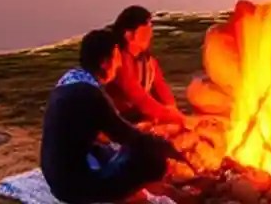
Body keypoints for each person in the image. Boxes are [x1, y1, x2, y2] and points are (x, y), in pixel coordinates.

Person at [40, 28, 181, 204]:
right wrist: (166, 147)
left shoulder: (69, 81)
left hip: (56, 177)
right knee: (152, 159)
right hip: (73, 188)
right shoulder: (91, 96)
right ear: (105, 63)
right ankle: (135, 196)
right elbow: (127, 136)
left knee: (112, 150)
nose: (119, 64)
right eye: (116, 58)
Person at [105, 5, 185, 125]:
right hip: (118, 119)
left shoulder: (147, 59)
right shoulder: (118, 60)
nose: (150, 34)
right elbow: (137, 96)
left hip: (139, 115)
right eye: (145, 29)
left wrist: (172, 108)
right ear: (129, 34)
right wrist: (168, 115)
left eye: (150, 28)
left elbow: (160, 85)